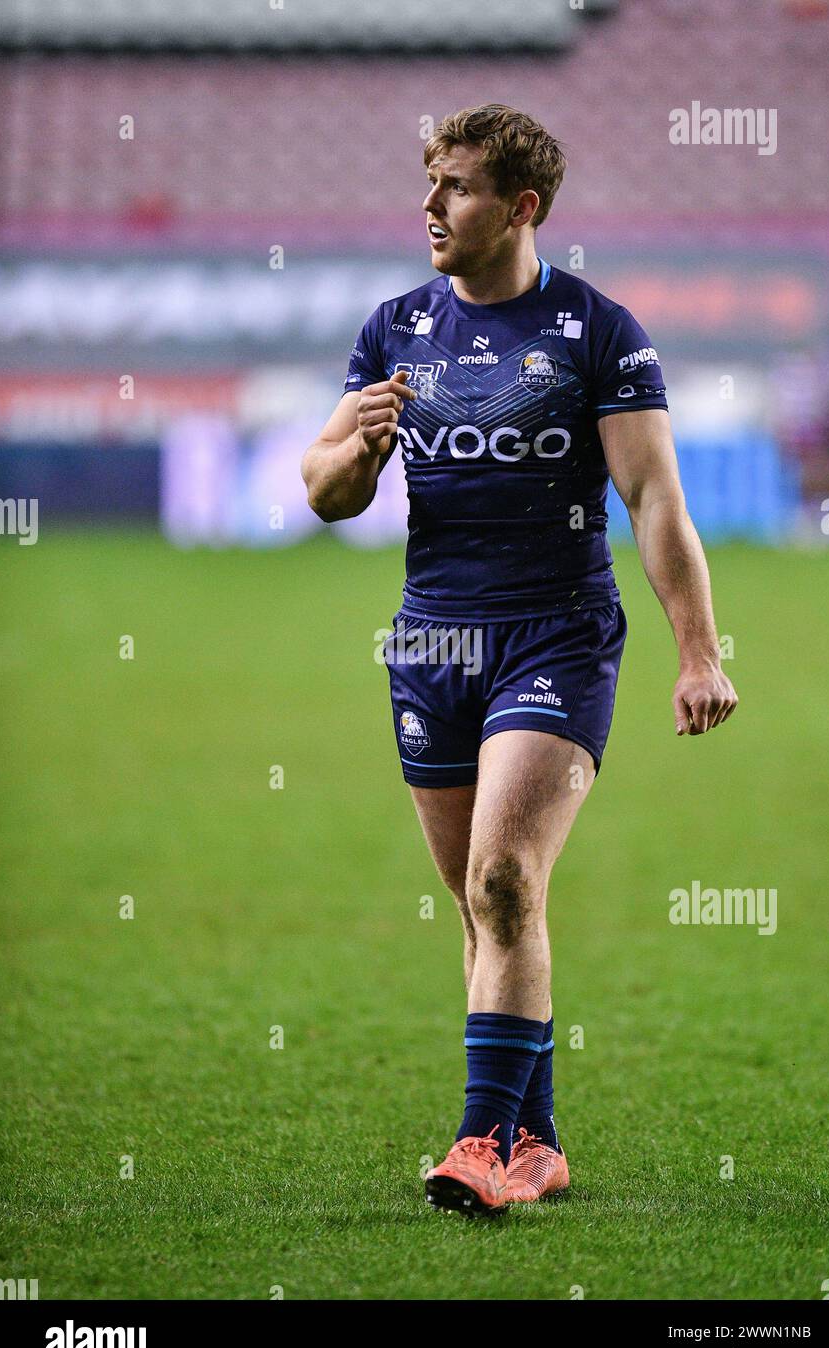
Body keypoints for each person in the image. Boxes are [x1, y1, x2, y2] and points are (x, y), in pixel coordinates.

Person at [301, 104, 738, 1216]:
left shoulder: (596, 330)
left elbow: (651, 500)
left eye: (453, 186)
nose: (430, 206)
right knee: (482, 903)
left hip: (556, 634)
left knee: (504, 879)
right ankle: (535, 1139)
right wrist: (358, 445)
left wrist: (698, 651)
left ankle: (481, 1145)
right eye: (428, 183)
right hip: (431, 641)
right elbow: (323, 493)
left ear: (520, 206)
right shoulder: (394, 328)